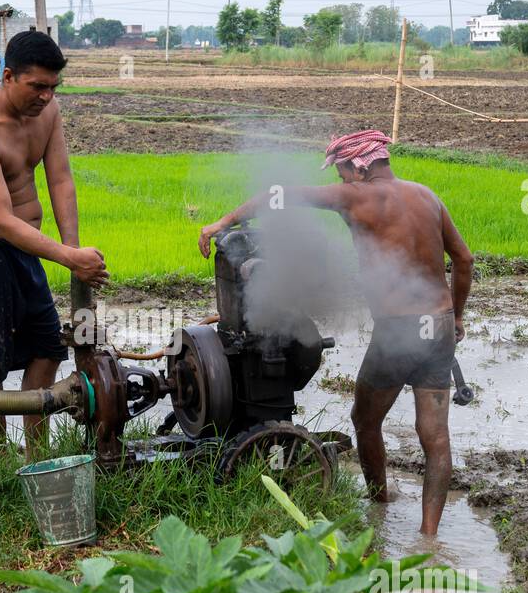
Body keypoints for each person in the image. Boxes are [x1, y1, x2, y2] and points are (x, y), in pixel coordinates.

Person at [198, 129, 474, 536]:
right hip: (438, 325)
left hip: (398, 330)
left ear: (356, 166)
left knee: (364, 421)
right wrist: (458, 317)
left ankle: (379, 507)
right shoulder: (427, 196)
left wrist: (220, 223)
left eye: (342, 170)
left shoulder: (355, 197)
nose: (340, 179)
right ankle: (429, 536)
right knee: (435, 437)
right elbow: (464, 260)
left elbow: (279, 195)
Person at [0, 31, 109, 449]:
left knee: (46, 348)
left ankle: (38, 452)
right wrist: (70, 258)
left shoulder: (47, 113)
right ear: (8, 77)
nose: (45, 96)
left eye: (53, 87)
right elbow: (0, 218)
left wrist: (73, 251)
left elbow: (60, 178)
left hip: (25, 249)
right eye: (37, 86)